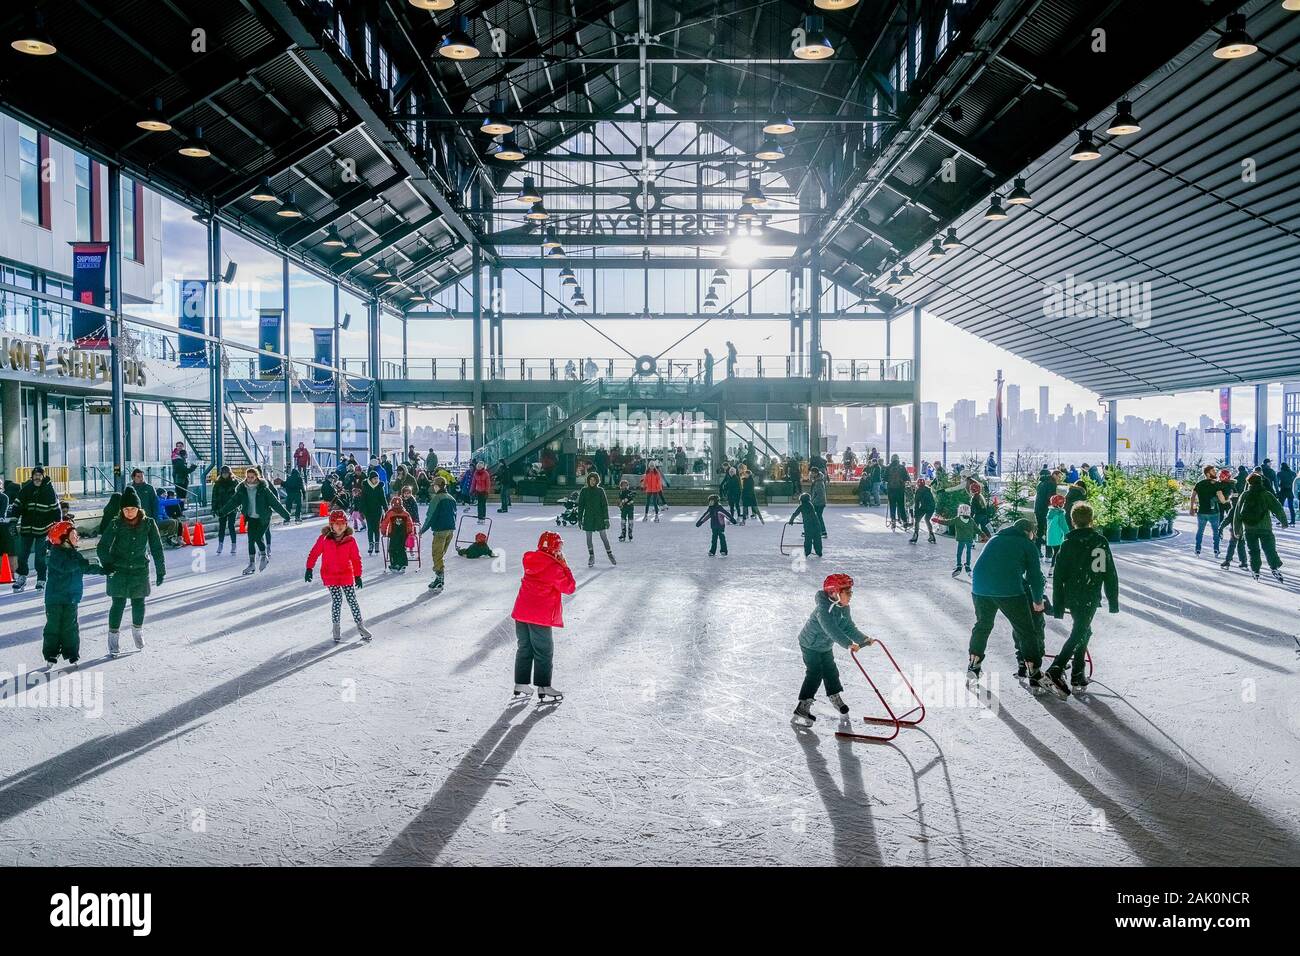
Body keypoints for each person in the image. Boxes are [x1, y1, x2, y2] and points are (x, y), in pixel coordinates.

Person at [1044, 501, 1119, 696]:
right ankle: (1056, 668)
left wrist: (1059, 603)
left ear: (1072, 520)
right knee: (1080, 631)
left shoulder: (1067, 544)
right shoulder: (1099, 542)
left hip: (1071, 595)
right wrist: (1112, 599)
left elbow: (1058, 576)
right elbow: (1107, 571)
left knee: (1084, 630)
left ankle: (1078, 674)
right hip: (1090, 594)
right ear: (1092, 520)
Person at [966, 517, 1046, 689]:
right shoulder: (1027, 545)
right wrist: (1038, 601)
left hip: (980, 587)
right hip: (1008, 590)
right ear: (1029, 532)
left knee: (983, 625)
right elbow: (1035, 577)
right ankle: (1034, 673)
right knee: (1026, 630)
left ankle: (974, 665)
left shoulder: (995, 538)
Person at [790, 573, 874, 727]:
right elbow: (831, 630)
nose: (850, 596)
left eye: (851, 592)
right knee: (815, 673)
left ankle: (835, 697)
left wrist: (863, 639)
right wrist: (848, 644)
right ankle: (802, 707)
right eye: (847, 592)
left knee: (831, 671)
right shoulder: (824, 609)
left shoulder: (843, 608)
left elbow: (848, 627)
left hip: (825, 646)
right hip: (810, 644)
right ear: (834, 593)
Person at [97, 486, 166, 657]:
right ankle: (113, 639)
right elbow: (102, 547)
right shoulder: (115, 523)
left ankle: (137, 631)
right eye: (126, 509)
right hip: (118, 570)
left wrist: (160, 570)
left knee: (138, 602)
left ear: (139, 508)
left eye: (133, 509)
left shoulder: (148, 523)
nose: (129, 512)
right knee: (118, 604)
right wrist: (108, 565)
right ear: (122, 509)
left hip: (139, 569)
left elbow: (157, 548)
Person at [510, 531, 576, 702]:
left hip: (522, 611)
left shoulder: (531, 560)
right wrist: (564, 565)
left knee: (524, 647)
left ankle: (521, 683)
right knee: (544, 651)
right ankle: (544, 686)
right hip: (539, 614)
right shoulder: (554, 567)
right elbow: (569, 588)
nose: (560, 549)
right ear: (554, 547)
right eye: (559, 545)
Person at [41, 520, 105, 670]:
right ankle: (51, 653)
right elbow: (65, 567)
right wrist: (83, 563)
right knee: (53, 626)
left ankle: (71, 652)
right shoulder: (54, 554)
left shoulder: (74, 554)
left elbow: (85, 568)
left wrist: (103, 570)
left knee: (70, 626)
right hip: (55, 598)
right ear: (63, 538)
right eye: (74, 535)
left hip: (71, 598)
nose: (77, 538)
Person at [305, 509, 371, 643]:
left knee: (352, 600)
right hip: (330, 575)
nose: (340, 526)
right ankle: (336, 627)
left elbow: (356, 559)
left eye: (343, 523)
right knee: (337, 600)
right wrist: (309, 568)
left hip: (346, 574)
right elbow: (314, 553)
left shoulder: (350, 540)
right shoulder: (324, 539)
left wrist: (357, 575)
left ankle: (360, 626)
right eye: (336, 523)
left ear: (346, 524)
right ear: (331, 525)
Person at [218, 467, 291, 575]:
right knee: (251, 540)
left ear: (257, 477)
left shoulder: (263, 489)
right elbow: (233, 502)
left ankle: (264, 556)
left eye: (252, 477)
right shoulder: (242, 489)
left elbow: (275, 503)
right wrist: (222, 512)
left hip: (263, 517)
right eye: (248, 477)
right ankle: (251, 564)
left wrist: (286, 515)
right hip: (251, 518)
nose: (250, 479)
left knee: (257, 537)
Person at [10, 466, 60, 592]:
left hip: (43, 529)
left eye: (40, 475)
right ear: (32, 476)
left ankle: (41, 580)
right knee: (22, 555)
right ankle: (21, 577)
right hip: (27, 528)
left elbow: (56, 510)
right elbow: (17, 506)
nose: (37, 477)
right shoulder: (26, 489)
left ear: (43, 477)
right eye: (35, 475)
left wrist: (56, 529)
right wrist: (13, 522)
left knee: (40, 557)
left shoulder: (49, 490)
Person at [1233, 472, 1289, 581]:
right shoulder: (1266, 494)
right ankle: (1274, 567)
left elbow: (1238, 513)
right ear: (1261, 482)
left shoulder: (1244, 495)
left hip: (1249, 529)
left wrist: (1237, 529)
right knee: (1269, 549)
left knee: (1253, 550)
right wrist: (1284, 522)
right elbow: (1278, 508)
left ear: (1248, 482)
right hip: (1265, 528)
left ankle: (1255, 570)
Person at [420, 475, 458, 593]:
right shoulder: (452, 498)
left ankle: (439, 579)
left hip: (440, 531)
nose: (434, 488)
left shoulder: (437, 498)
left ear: (438, 486)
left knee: (437, 555)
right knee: (440, 555)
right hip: (450, 531)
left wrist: (422, 530)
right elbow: (454, 515)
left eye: (434, 486)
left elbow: (430, 516)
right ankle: (440, 577)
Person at [577, 472, 616, 568]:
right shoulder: (584, 491)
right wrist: (579, 519)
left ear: (597, 481)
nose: (592, 482)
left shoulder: (600, 491)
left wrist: (606, 519)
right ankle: (591, 556)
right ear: (588, 480)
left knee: (604, 537)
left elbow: (604, 506)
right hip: (588, 518)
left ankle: (610, 553)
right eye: (591, 480)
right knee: (589, 538)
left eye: (594, 480)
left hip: (599, 518)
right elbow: (581, 506)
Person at [1190, 464, 1227, 557]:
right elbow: (1221, 499)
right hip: (1214, 513)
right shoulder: (1216, 484)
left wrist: (1192, 507)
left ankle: (1197, 550)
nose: (1215, 472)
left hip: (1202, 512)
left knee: (1200, 531)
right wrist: (1226, 500)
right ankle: (1216, 550)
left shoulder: (1199, 484)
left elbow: (1193, 496)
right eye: (1213, 471)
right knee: (1216, 532)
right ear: (1207, 473)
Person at [1218, 470, 1249, 571]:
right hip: (1242, 526)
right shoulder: (1241, 505)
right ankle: (1243, 562)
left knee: (1232, 544)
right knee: (1241, 544)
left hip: (1235, 527)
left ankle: (1227, 561)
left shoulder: (1233, 508)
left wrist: (1220, 528)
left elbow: (1228, 519)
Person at [379, 497, 413, 573]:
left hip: (393, 534)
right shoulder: (405, 513)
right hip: (403, 534)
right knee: (401, 548)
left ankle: (395, 564)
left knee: (392, 549)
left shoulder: (390, 513)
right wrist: (409, 532)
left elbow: (384, 523)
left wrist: (383, 532)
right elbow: (410, 523)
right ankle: (402, 563)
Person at [212, 466, 239, 555]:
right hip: (221, 508)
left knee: (231, 526)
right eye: (223, 473)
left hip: (232, 508)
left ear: (229, 473)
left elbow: (239, 496)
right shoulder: (217, 484)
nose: (225, 475)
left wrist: (238, 506)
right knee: (222, 527)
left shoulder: (234, 482)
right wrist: (214, 508)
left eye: (226, 473)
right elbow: (214, 497)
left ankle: (233, 545)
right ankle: (220, 544)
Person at [787, 492, 823, 557]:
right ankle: (819, 552)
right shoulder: (811, 505)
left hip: (808, 525)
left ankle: (807, 552)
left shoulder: (801, 506)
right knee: (817, 539)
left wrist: (791, 520)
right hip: (816, 524)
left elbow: (795, 513)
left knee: (808, 539)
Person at [358, 471, 386, 555]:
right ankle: (371, 544)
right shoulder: (366, 487)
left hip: (377, 511)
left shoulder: (379, 487)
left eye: (377, 478)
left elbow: (383, 499)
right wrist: (361, 510)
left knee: (376, 528)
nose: (376, 480)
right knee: (370, 528)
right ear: (371, 479)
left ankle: (377, 543)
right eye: (374, 479)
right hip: (368, 511)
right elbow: (363, 499)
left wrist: (386, 508)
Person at [1033, 467, 1057, 555]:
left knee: (1040, 529)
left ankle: (1037, 549)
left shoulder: (1040, 483)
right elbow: (1051, 498)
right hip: (1046, 510)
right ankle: (1049, 551)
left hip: (1038, 509)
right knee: (1049, 530)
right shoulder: (1051, 483)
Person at [951, 503, 977, 577]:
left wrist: (938, 520)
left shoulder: (958, 519)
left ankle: (959, 566)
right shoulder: (971, 520)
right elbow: (977, 529)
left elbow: (948, 522)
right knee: (968, 552)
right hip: (969, 539)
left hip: (962, 539)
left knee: (959, 553)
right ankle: (967, 566)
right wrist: (984, 535)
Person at [884, 455, 909, 531]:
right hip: (900, 490)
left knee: (892, 506)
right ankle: (904, 521)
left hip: (891, 490)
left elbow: (885, 478)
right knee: (901, 506)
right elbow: (906, 478)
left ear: (891, 459)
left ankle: (893, 521)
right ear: (898, 459)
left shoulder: (888, 467)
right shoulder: (902, 467)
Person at [909, 477, 936, 544]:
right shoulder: (928, 489)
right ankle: (931, 535)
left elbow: (917, 504)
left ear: (918, 485)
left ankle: (915, 535)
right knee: (927, 519)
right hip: (931, 507)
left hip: (924, 507)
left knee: (917, 520)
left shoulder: (918, 491)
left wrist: (916, 513)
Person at [1045, 494, 1068, 570]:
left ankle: (1053, 569)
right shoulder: (1059, 514)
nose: (1064, 504)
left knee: (1056, 552)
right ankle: (1052, 569)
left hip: (1050, 536)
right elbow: (1064, 526)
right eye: (1062, 503)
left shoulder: (1050, 512)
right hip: (1057, 536)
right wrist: (1069, 534)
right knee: (1057, 553)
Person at [809, 468, 828, 537]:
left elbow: (820, 494)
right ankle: (819, 531)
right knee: (816, 517)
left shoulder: (819, 482)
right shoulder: (817, 481)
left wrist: (812, 502)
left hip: (819, 503)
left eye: (812, 473)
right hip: (818, 502)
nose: (811, 474)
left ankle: (823, 531)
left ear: (815, 473)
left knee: (817, 517)